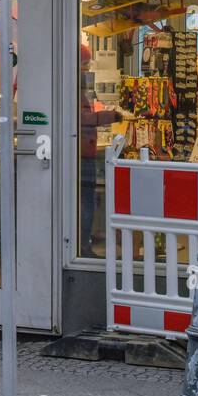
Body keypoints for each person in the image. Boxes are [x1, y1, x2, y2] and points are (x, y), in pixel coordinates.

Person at [80, 44, 130, 254]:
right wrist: (112, 116)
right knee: (86, 202)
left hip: (83, 151)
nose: (87, 68)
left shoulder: (77, 87)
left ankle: (81, 243)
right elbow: (83, 119)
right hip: (83, 154)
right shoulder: (75, 88)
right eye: (84, 64)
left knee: (85, 200)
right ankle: (82, 245)